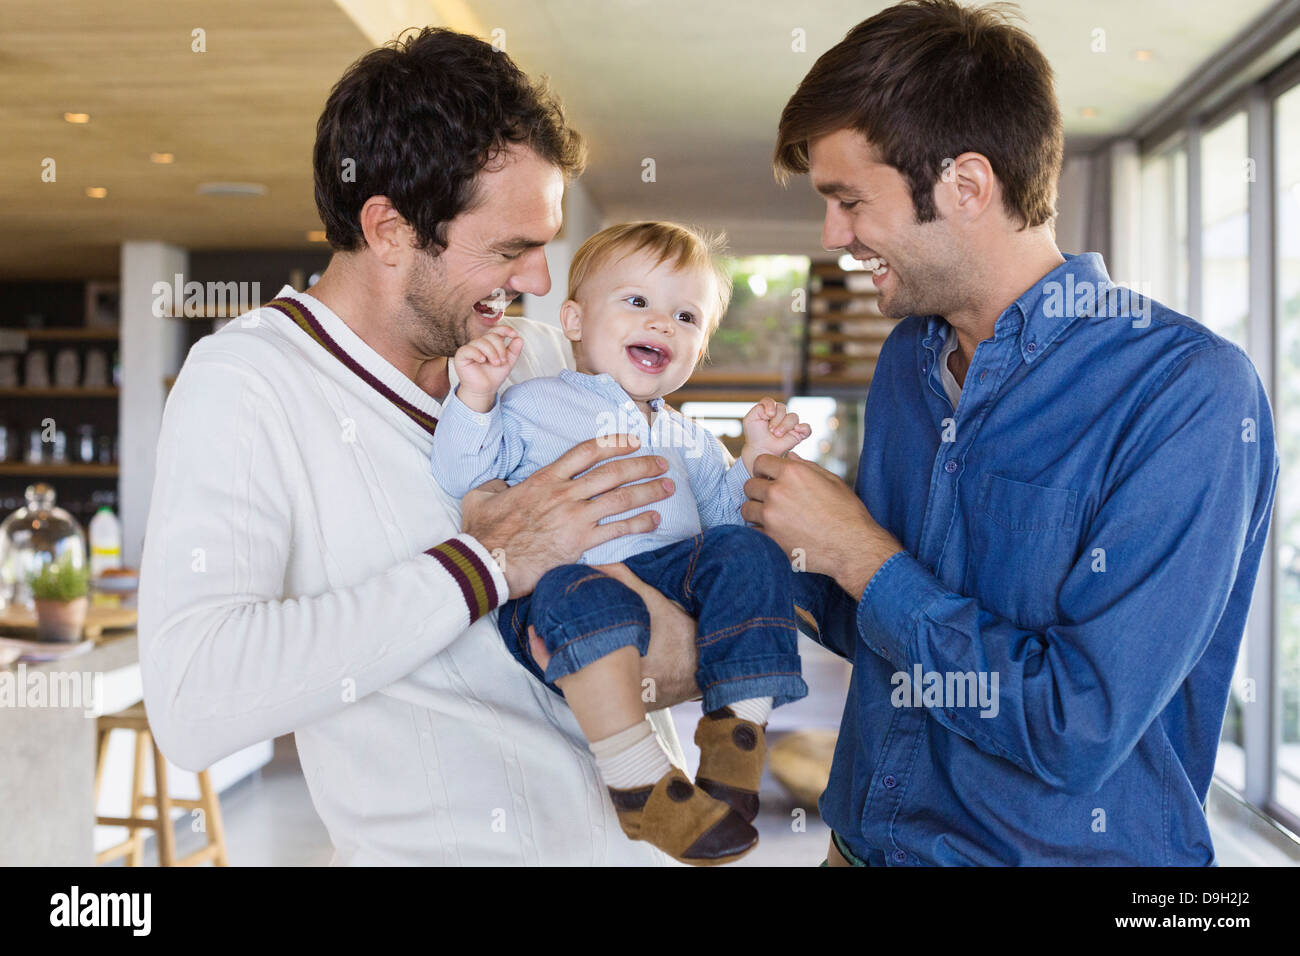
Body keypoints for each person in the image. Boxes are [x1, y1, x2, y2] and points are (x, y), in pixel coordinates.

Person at [138, 28, 707, 865]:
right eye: (512, 249)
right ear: (391, 229)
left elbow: (685, 622)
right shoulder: (248, 382)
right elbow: (194, 701)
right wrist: (488, 562)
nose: (541, 283)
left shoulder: (548, 363)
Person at [746, 0, 1279, 865]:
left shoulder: (1186, 394)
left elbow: (1078, 726)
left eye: (849, 201)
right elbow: (872, 626)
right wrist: (762, 536)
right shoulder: (907, 365)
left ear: (966, 185)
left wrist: (855, 552)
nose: (832, 237)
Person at [432, 221, 812, 865]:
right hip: (566, 592)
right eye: (637, 302)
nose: (662, 323)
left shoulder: (691, 437)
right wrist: (475, 397)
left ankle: (735, 740)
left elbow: (726, 526)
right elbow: (465, 475)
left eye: (686, 315)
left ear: (700, 348)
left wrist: (755, 460)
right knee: (573, 593)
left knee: (754, 556)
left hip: (668, 577)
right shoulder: (533, 401)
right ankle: (635, 775)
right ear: (574, 321)